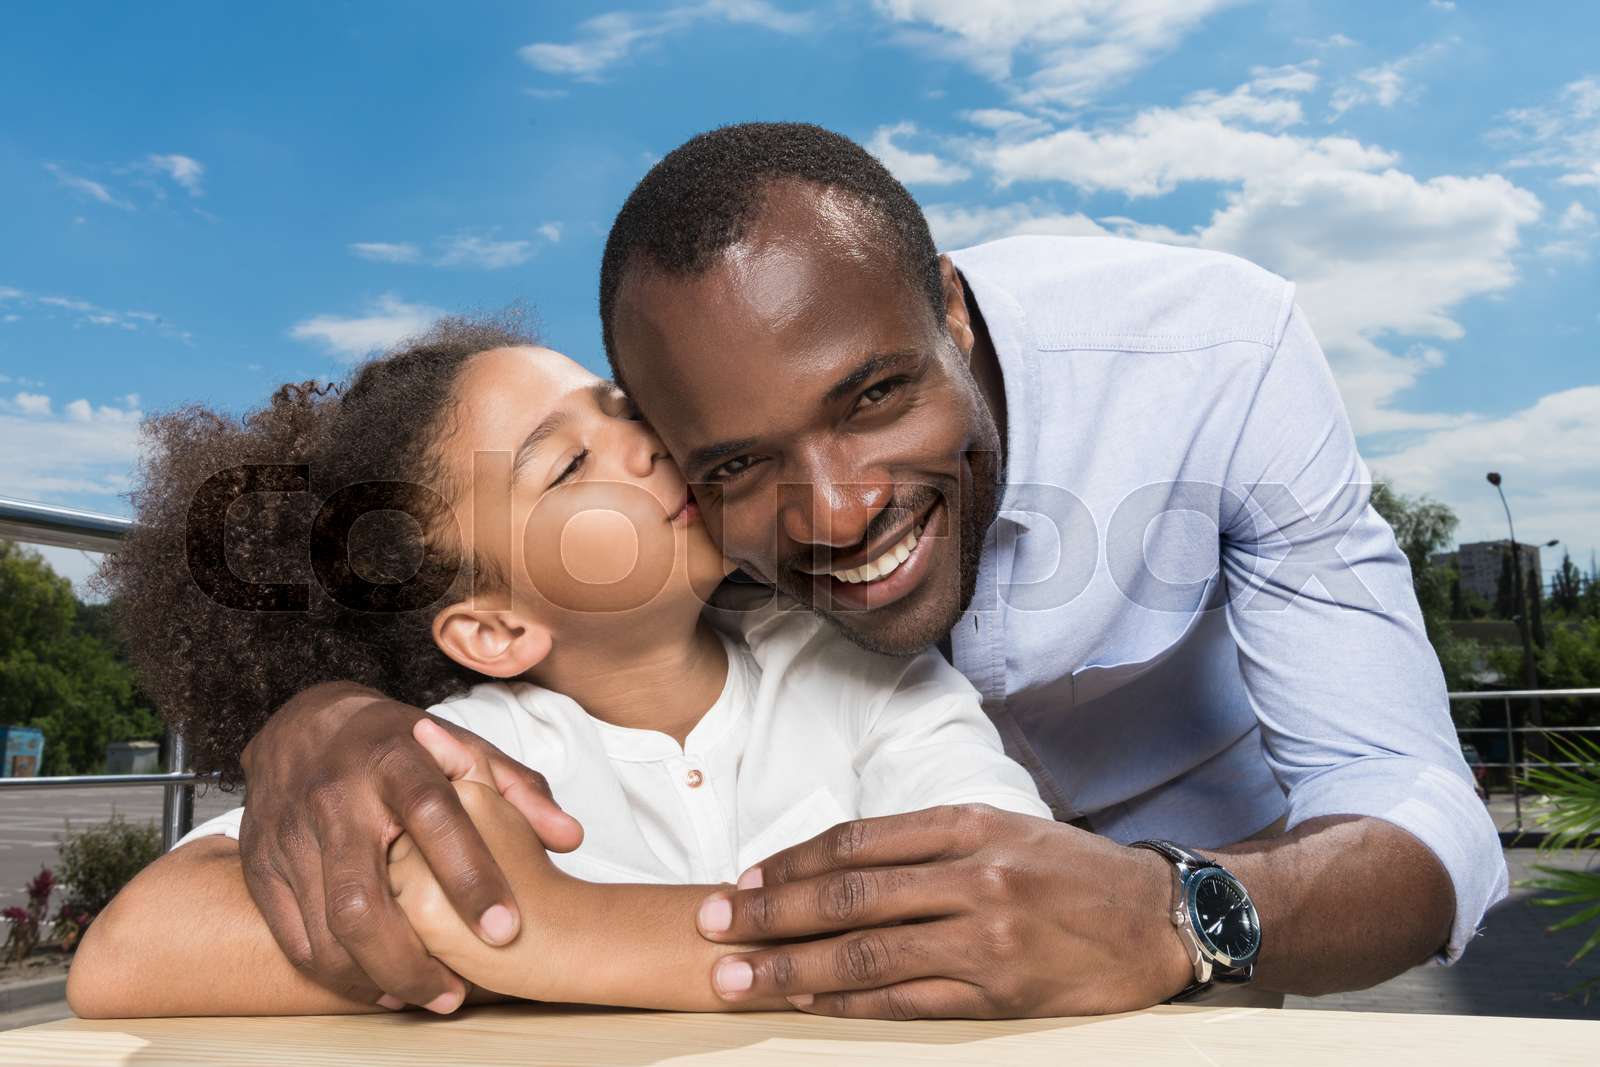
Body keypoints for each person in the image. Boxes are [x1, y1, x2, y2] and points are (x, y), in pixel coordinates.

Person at [216, 123, 1507, 1020]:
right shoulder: (662, 539)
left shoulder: (1219, 354)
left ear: (950, 308)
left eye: (877, 394)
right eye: (730, 462)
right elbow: (494, 587)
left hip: (1221, 892)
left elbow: (1406, 795)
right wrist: (316, 709)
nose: (836, 510)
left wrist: (1184, 909)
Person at [66, 320, 1051, 1018]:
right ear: (495, 630)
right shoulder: (474, 753)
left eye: (624, 408)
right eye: (567, 467)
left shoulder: (861, 668)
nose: (645, 444)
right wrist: (532, 935)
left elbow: (1021, 900)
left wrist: (562, 932)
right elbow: (126, 953)